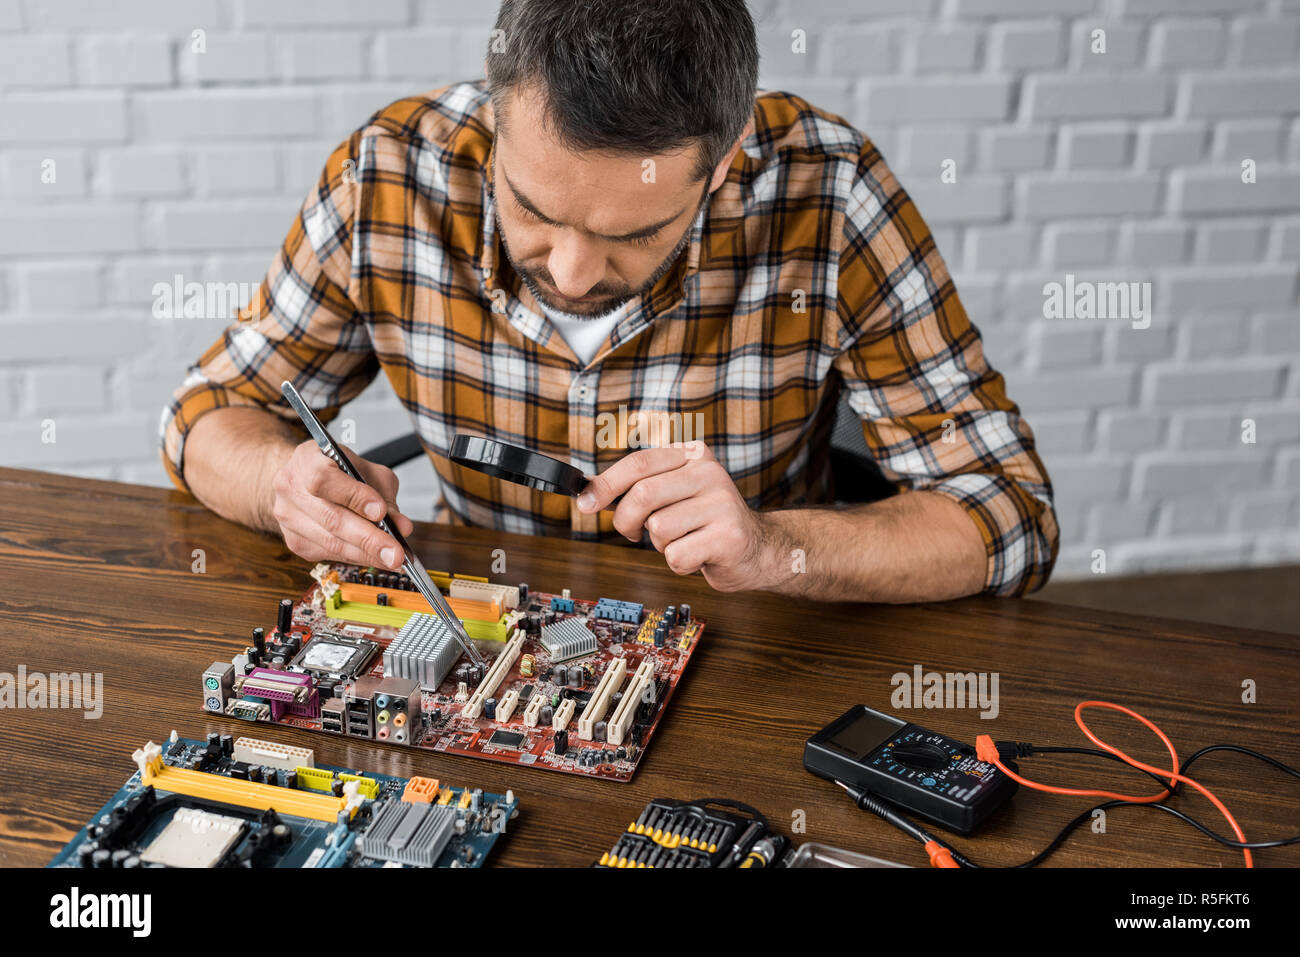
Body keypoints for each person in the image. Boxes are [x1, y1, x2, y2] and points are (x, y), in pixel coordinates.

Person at [160, 0, 1057, 602]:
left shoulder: (830, 194)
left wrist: (777, 546)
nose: (576, 273)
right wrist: (285, 482)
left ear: (727, 151)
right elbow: (205, 416)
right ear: (498, 111)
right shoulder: (389, 176)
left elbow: (1009, 510)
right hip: (482, 638)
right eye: (535, 211)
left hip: (751, 650)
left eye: (635, 233)